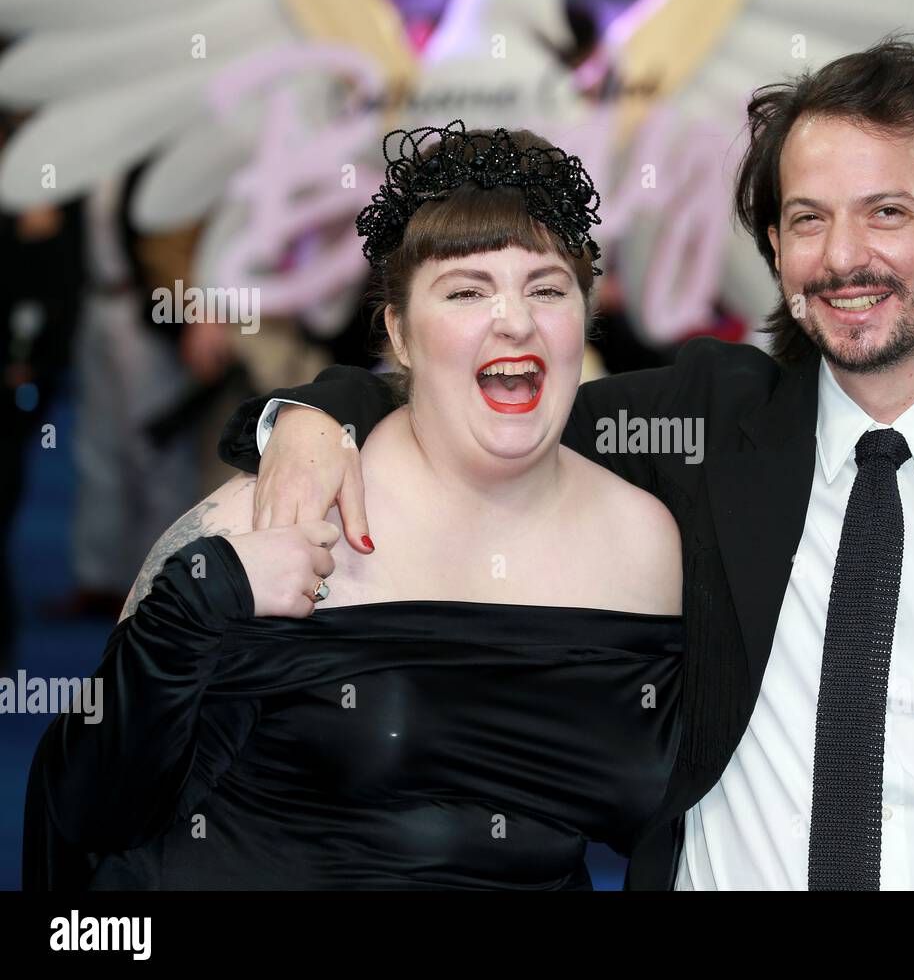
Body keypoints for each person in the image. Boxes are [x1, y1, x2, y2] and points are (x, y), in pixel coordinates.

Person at [219, 40, 914, 890]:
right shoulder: (701, 425)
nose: (842, 257)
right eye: (807, 219)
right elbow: (484, 399)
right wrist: (312, 415)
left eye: (886, 212)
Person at [24, 123, 684, 890]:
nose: (515, 319)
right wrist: (199, 603)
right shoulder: (269, 519)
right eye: (467, 290)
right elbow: (88, 812)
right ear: (399, 333)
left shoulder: (647, 540)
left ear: (585, 316)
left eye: (546, 288)